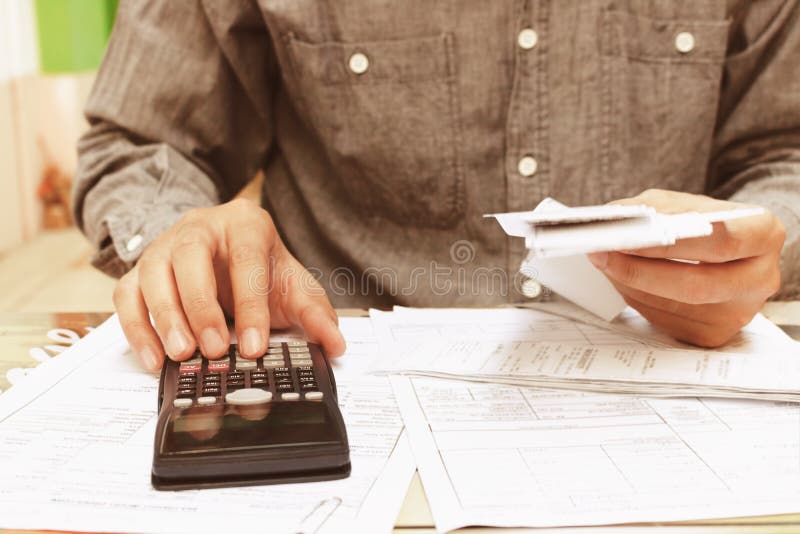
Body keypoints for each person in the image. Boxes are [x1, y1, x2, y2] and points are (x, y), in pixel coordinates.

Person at [73, 1, 798, 371]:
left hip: (671, 381)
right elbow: (141, 140)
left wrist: (758, 247)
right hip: (344, 383)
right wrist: (182, 231)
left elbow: (784, 152)